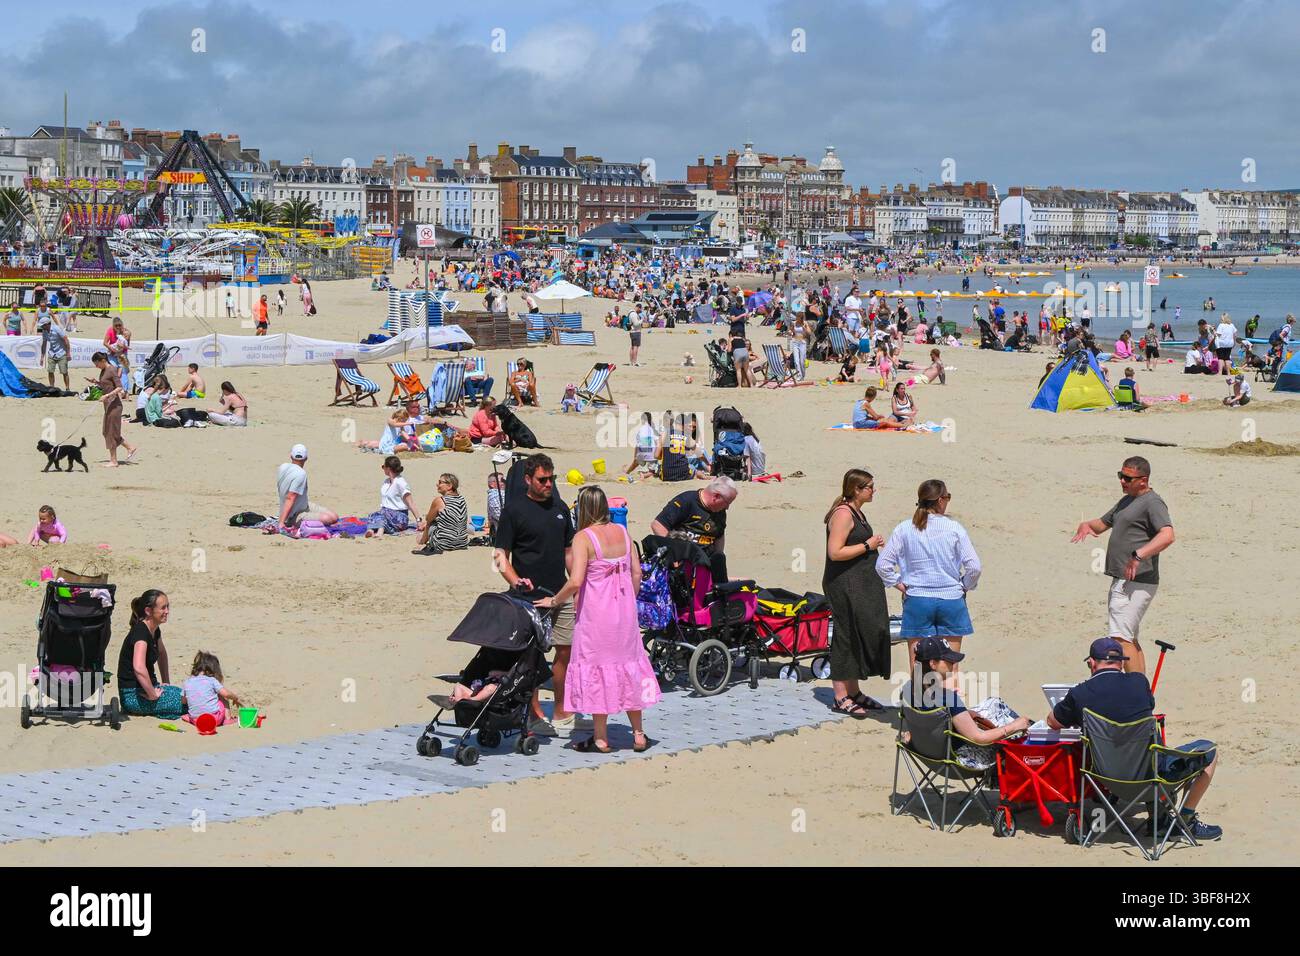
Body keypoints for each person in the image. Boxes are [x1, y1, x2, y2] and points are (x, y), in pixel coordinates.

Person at [1044, 638, 1221, 841]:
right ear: (1121, 663)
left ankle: (1161, 820)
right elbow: (1148, 706)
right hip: (1150, 777)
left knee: (1148, 755)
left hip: (1105, 778)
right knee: (1208, 751)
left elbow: (1052, 722)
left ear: (1091, 663)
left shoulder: (1079, 694)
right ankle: (1185, 820)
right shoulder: (1138, 683)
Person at [534, 486, 659, 753]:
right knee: (628, 668)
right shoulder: (623, 533)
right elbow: (636, 574)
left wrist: (554, 600)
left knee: (597, 671)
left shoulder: (584, 538)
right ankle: (638, 734)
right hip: (624, 615)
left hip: (596, 615)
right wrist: (627, 600)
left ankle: (601, 738)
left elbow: (576, 580)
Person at [493, 454, 576, 735]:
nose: (548, 484)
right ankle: (534, 712)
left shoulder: (561, 508)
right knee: (531, 657)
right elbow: (500, 555)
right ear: (528, 479)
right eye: (542, 480)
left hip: (560, 594)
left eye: (551, 479)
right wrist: (516, 582)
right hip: (528, 599)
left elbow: (568, 551)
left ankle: (563, 709)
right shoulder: (514, 510)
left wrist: (576, 582)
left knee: (566, 650)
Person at [1071, 456, 1174, 675]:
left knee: (1120, 639)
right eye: (1121, 476)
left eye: (1127, 478)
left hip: (1138, 581)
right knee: (1128, 638)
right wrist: (1086, 525)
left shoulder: (1153, 502)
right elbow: (1101, 525)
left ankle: (1135, 696)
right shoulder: (1127, 500)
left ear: (1143, 480)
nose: (1122, 481)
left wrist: (1139, 555)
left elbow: (1167, 535)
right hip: (1122, 580)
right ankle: (1141, 692)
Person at [877, 479, 981, 671]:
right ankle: (948, 700)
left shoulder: (905, 528)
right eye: (947, 497)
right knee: (949, 665)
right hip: (951, 599)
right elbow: (974, 567)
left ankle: (922, 699)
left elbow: (883, 564)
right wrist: (964, 585)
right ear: (940, 500)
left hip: (917, 599)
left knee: (919, 664)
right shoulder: (954, 528)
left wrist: (898, 583)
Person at [823, 469, 890, 719]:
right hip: (843, 584)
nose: (874, 490)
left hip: (859, 583)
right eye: (869, 486)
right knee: (845, 635)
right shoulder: (842, 514)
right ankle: (841, 695)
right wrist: (867, 546)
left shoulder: (856, 511)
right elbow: (835, 553)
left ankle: (854, 690)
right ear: (856, 489)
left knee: (862, 631)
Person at [907, 638, 1031, 758]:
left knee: (992, 703)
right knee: (1005, 715)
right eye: (947, 660)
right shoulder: (949, 699)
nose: (953, 663)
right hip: (957, 756)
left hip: (925, 750)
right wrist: (1014, 726)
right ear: (933, 664)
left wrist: (964, 714)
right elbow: (978, 738)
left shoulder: (910, 691)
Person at [650, 476, 737, 581]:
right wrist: (672, 554)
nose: (727, 508)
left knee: (720, 560)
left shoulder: (720, 512)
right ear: (716, 496)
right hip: (683, 559)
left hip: (705, 562)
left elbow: (719, 535)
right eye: (727, 503)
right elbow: (657, 525)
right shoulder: (686, 501)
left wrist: (718, 557)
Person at [117, 589, 184, 718]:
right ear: (148, 611)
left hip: (149, 688)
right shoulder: (141, 632)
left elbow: (162, 654)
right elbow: (138, 667)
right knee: (187, 702)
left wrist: (166, 681)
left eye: (167, 607)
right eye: (163, 608)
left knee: (186, 694)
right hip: (133, 695)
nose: (167, 611)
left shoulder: (154, 630)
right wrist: (152, 694)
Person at [89, 352, 138, 467]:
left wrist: (106, 396)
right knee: (106, 432)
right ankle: (130, 447)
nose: (96, 366)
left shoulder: (111, 369)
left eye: (96, 364)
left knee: (111, 433)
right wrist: (96, 382)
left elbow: (119, 387)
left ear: (102, 360)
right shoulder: (103, 371)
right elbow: (106, 385)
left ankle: (114, 460)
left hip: (114, 405)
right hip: (108, 405)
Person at [274, 444, 338, 531]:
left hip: (303, 505)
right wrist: (281, 522)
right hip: (294, 515)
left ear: (291, 456)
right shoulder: (301, 474)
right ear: (306, 458)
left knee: (334, 517)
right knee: (329, 519)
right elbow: (290, 497)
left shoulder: (282, 467)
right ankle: (290, 521)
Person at [182, 651, 245, 727]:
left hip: (196, 721)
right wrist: (235, 698)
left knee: (193, 703)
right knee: (222, 697)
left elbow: (183, 701)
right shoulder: (211, 680)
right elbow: (226, 694)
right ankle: (228, 719)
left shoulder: (187, 682)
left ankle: (189, 717)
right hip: (214, 719)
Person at [412, 473, 469, 554]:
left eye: (440, 482)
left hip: (443, 544)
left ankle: (422, 541)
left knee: (430, 524)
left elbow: (428, 520)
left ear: (449, 486)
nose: (437, 484)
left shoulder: (439, 501)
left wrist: (428, 522)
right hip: (462, 543)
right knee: (437, 520)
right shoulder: (462, 499)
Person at [366, 456, 419, 537]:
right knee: (374, 515)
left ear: (388, 468)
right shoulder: (386, 482)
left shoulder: (400, 483)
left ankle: (380, 531)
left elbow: (410, 503)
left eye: (383, 467)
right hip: (387, 514)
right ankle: (371, 531)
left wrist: (418, 520)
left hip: (400, 516)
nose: (382, 469)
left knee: (382, 515)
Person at [39, 307, 71, 391]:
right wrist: (42, 357)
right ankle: (52, 387)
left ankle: (67, 388)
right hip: (51, 353)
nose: (41, 327)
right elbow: (44, 344)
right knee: (50, 371)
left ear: (47, 324)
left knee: (64, 372)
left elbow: (66, 340)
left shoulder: (56, 329)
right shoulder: (44, 332)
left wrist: (68, 353)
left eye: (42, 325)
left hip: (61, 353)